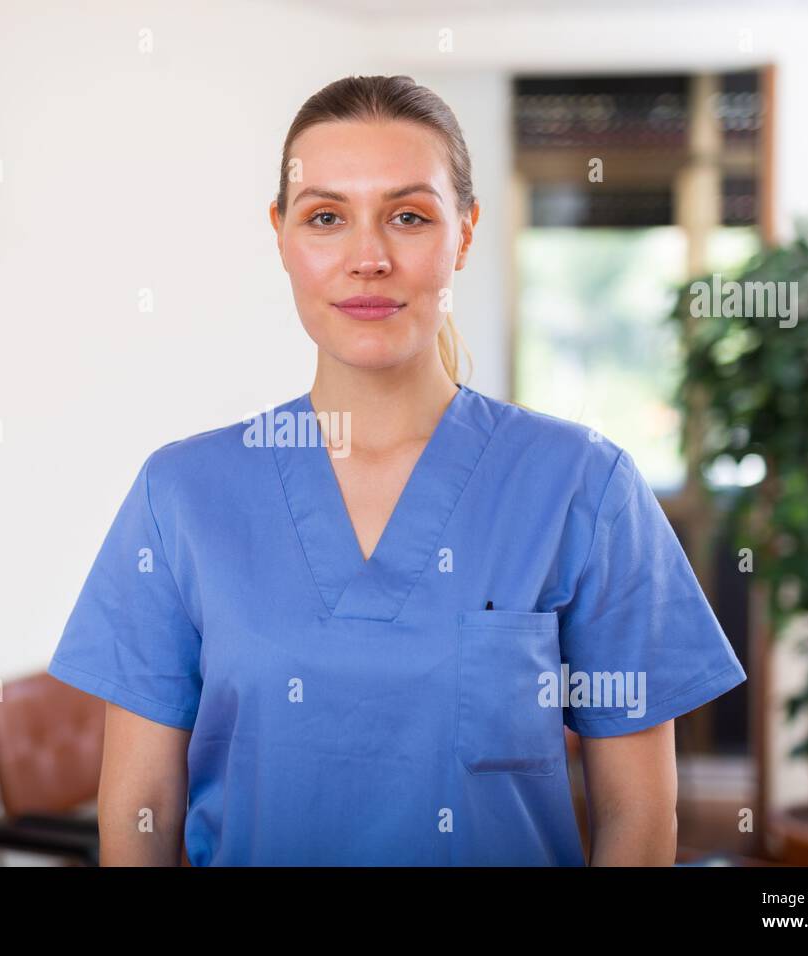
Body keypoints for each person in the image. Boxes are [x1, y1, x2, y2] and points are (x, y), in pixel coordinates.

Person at [47, 74, 747, 866]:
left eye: (409, 217)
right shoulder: (181, 496)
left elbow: (640, 823)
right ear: (280, 236)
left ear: (466, 233)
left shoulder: (583, 487)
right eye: (325, 218)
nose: (368, 258)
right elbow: (141, 810)